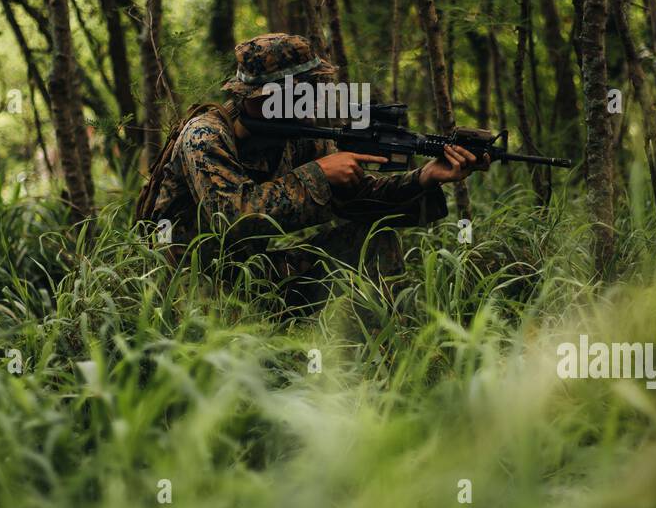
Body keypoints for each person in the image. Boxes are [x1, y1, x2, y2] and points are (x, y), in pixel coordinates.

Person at [136, 33, 486, 307]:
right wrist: (319, 173)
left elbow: (359, 198)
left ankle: (377, 362)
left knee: (374, 237)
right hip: (188, 291)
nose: (312, 100)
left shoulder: (296, 135)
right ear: (262, 96)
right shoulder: (206, 135)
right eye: (301, 91)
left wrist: (425, 176)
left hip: (251, 279)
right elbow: (233, 219)